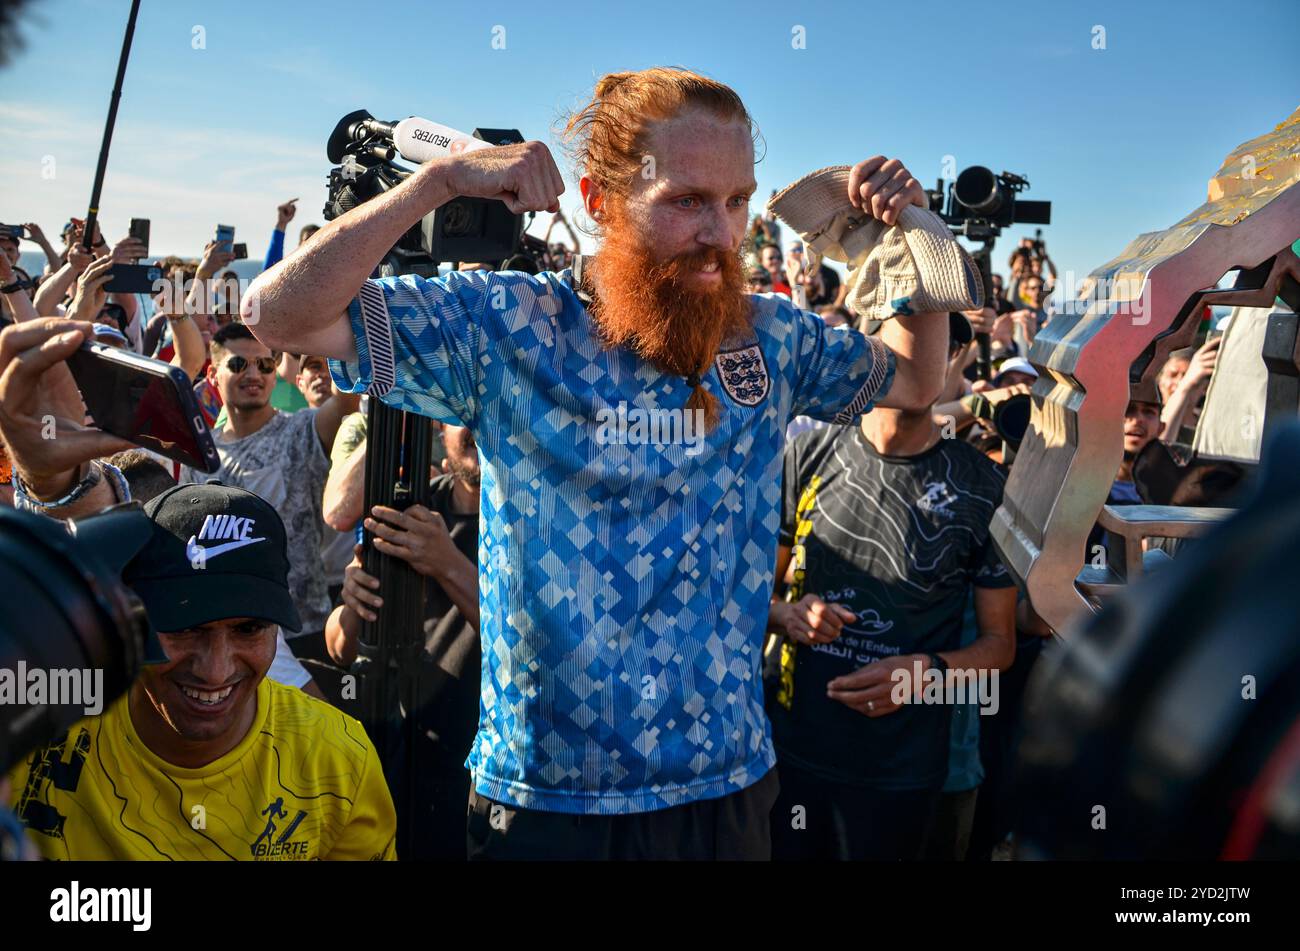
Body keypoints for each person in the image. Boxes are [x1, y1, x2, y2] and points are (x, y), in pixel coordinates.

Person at [246, 66, 950, 860]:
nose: (722, 233)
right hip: (544, 798)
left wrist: (908, 236)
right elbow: (277, 315)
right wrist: (438, 182)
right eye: (687, 200)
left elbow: (919, 381)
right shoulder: (509, 323)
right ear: (600, 201)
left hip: (725, 795)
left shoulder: (772, 338)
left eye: (736, 201)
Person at [0, 318, 397, 860]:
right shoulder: (49, 721)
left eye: (249, 628)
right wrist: (47, 479)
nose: (215, 668)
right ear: (133, 616)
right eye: (185, 628)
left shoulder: (338, 761)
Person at [765, 393, 1016, 860]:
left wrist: (924, 674)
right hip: (793, 748)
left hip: (904, 766)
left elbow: (1000, 647)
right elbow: (752, 598)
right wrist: (788, 614)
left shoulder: (982, 483)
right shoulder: (809, 452)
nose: (914, 358)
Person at [325, 423, 482, 859]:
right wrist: (356, 603)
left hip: (482, 771)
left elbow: (534, 649)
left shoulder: (532, 513)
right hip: (401, 751)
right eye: (461, 409)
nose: (475, 425)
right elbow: (339, 647)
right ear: (440, 424)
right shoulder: (413, 502)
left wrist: (446, 563)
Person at [181, 323, 359, 671]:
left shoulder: (302, 428)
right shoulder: (202, 453)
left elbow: (346, 404)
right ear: (212, 373)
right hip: (227, 639)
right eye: (239, 364)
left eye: (265, 365)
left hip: (302, 631)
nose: (254, 374)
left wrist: (332, 323)